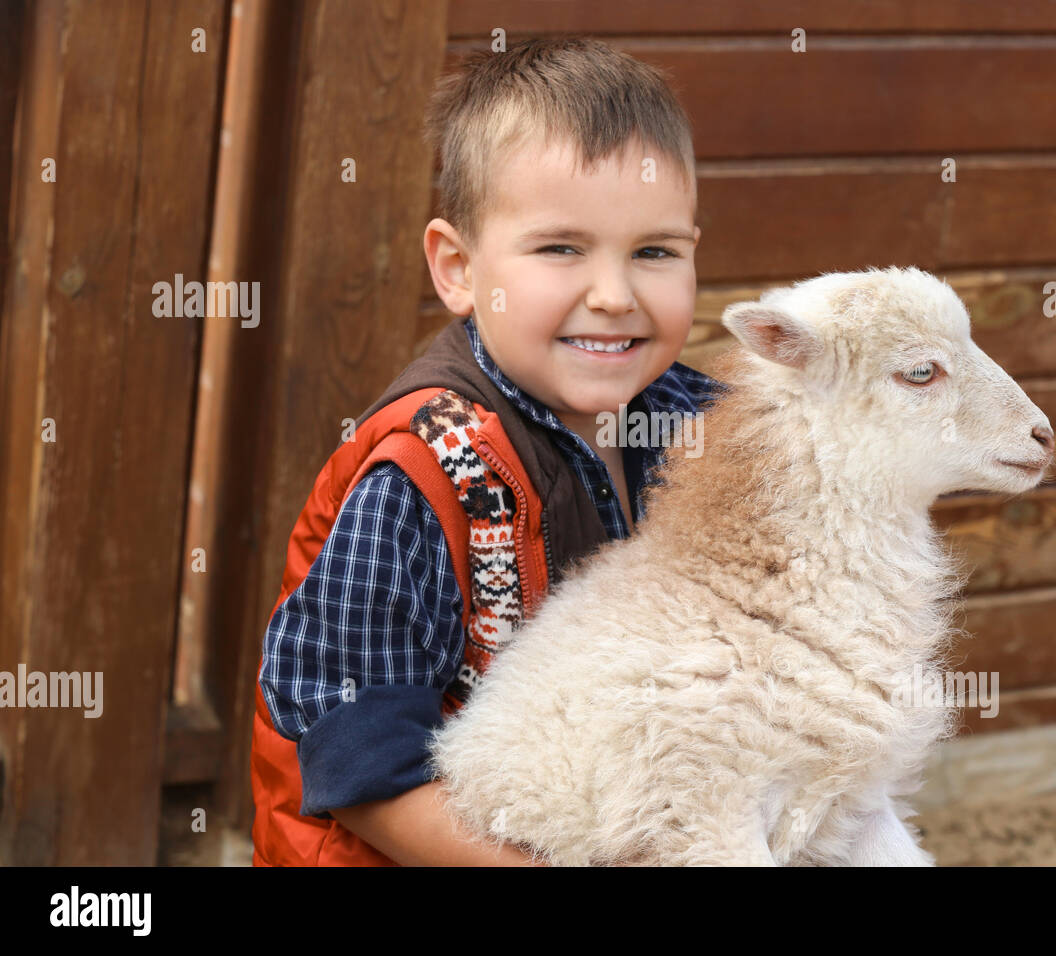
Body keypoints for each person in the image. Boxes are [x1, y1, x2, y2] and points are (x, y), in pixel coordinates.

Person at [249, 34, 720, 866]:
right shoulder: (419, 478)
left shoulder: (703, 430)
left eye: (654, 252)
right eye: (560, 249)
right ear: (459, 268)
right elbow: (364, 775)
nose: (614, 296)